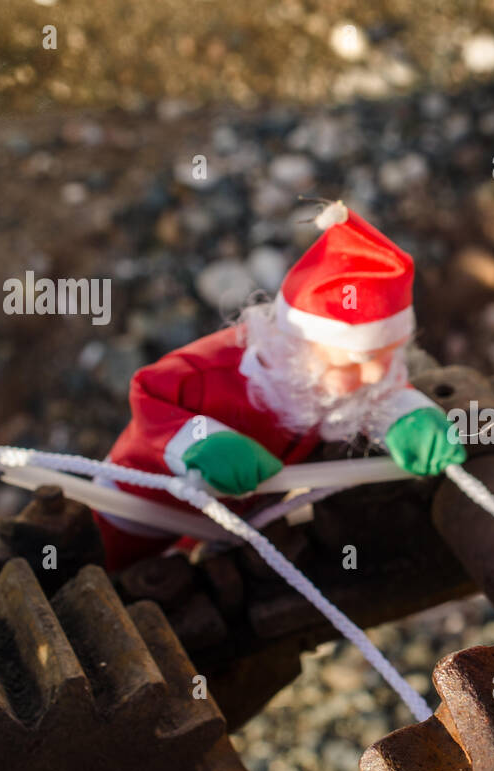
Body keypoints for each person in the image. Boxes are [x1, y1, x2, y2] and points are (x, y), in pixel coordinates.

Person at [94, 201, 464, 570]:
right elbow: (149, 397)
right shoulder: (208, 372)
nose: (372, 376)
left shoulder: (342, 376)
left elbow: (379, 390)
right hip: (138, 508)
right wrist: (200, 441)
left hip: (232, 521)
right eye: (355, 361)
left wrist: (405, 415)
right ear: (299, 347)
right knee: (98, 559)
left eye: (387, 356)